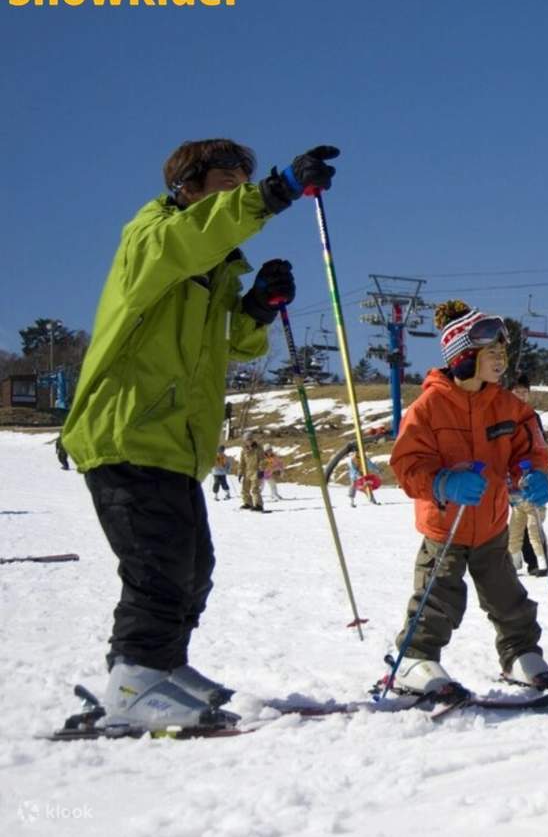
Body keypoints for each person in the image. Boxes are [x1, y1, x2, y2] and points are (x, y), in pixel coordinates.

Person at [59, 138, 339, 730]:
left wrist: (259, 306)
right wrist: (277, 191)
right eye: (228, 180)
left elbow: (234, 344)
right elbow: (193, 236)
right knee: (156, 567)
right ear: (188, 184)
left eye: (247, 179)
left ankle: (158, 667)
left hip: (176, 443)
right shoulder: (154, 237)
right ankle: (134, 681)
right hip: (128, 429)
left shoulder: (211, 268)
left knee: (192, 566)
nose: (239, 187)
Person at [386, 300, 548, 694]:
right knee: (439, 597)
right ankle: (415, 658)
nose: (501, 360)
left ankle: (521, 654)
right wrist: (444, 483)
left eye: (503, 352)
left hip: (492, 525)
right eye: (491, 353)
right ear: (463, 356)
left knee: (508, 598)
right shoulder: (427, 408)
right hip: (445, 526)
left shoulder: (509, 406)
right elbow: (406, 465)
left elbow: (529, 448)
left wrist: (533, 474)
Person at [506, 373, 548, 577]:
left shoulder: (532, 416)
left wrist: (541, 470)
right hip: (509, 474)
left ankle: (537, 560)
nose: (521, 396)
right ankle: (513, 559)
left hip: (529, 472)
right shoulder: (502, 414)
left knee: (532, 518)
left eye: (525, 392)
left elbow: (541, 445)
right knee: (516, 520)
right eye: (517, 392)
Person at [238, 432, 265, 512]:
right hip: (247, 472)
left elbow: (262, 460)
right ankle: (247, 503)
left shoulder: (258, 448)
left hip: (256, 471)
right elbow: (242, 462)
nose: (249, 441)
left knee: (254, 489)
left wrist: (261, 470)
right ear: (244, 441)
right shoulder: (244, 450)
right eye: (247, 440)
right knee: (244, 489)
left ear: (253, 439)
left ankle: (258, 504)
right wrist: (240, 472)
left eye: (250, 439)